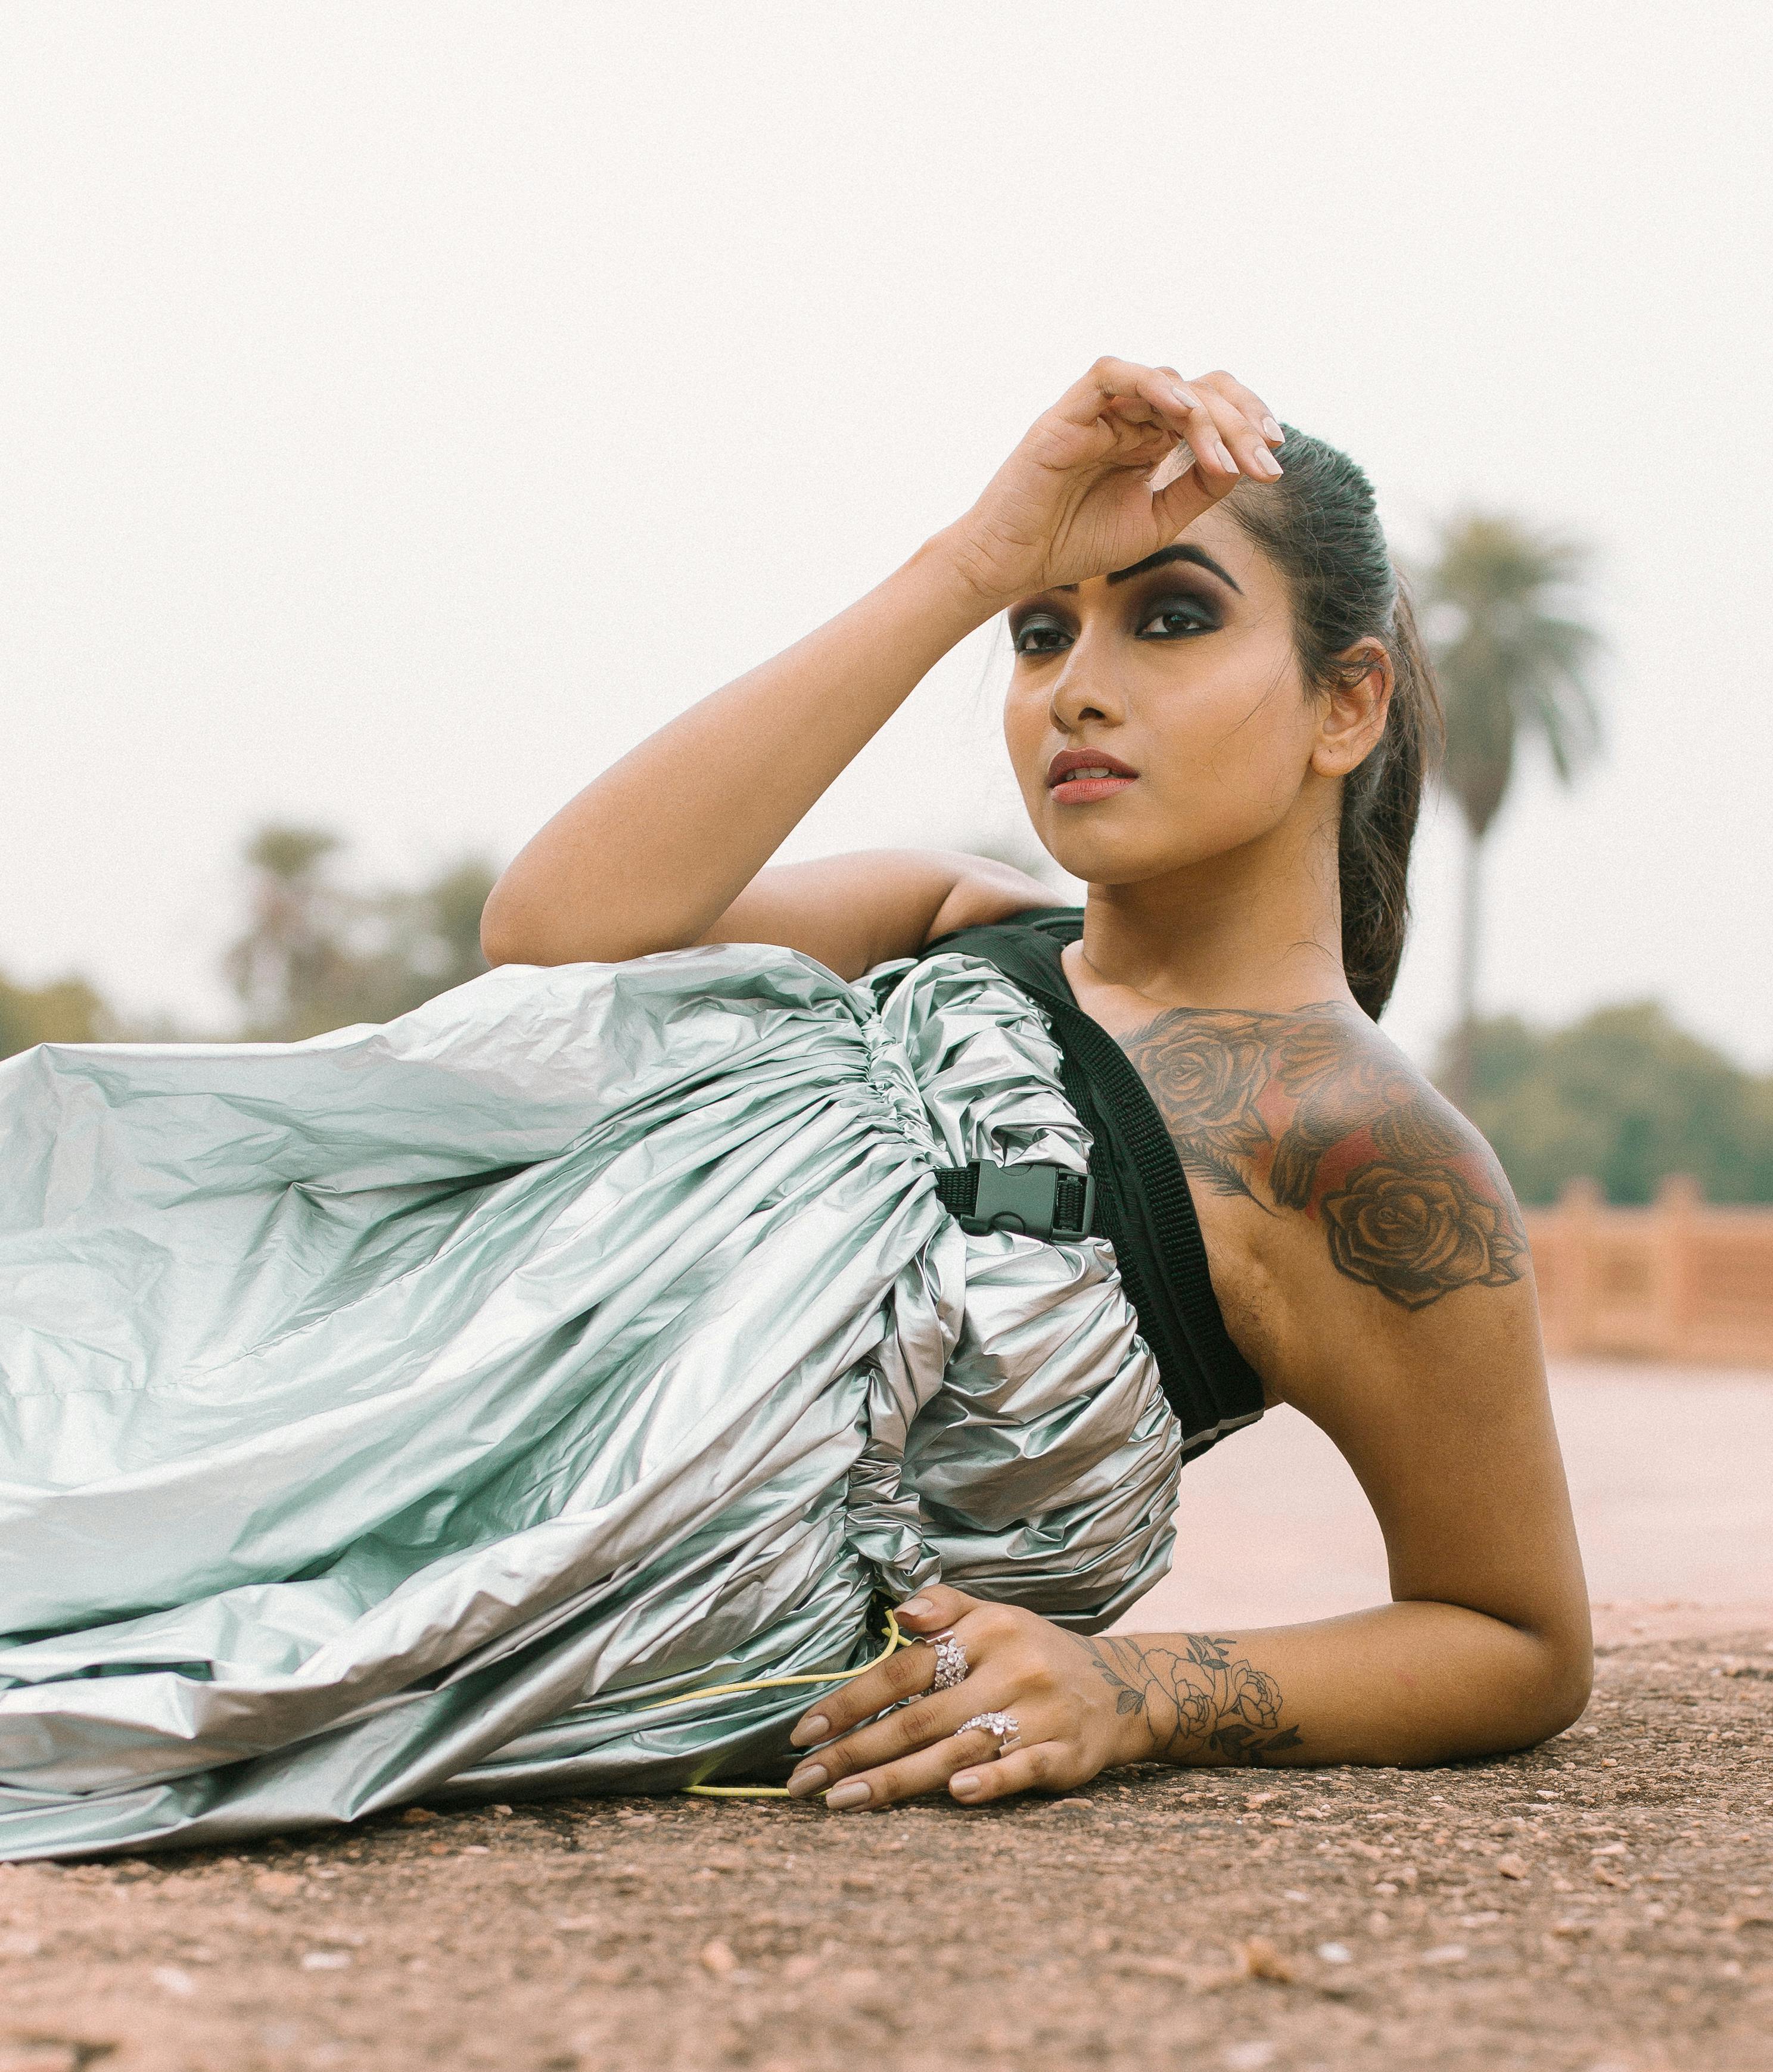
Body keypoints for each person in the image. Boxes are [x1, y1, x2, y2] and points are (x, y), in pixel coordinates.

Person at [477, 355, 1592, 1816]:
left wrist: (1136, 1690)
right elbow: (547, 935)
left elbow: (1515, 1636)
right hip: (409, 1428)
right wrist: (969, 564)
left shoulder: (1353, 1149)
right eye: (1039, 633)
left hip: (521, 1640)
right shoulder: (948, 919)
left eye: (1173, 618)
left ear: (1347, 703)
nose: (1077, 687)